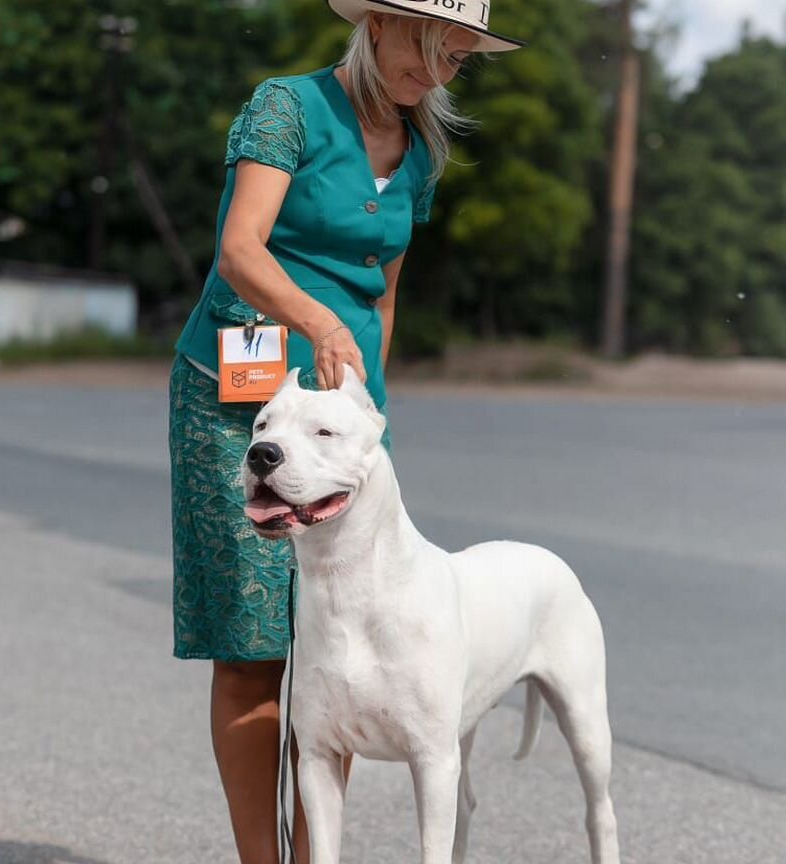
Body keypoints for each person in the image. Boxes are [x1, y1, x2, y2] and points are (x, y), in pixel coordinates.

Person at [169, 1, 524, 861]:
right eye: (426, 47)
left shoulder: (422, 149)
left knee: (345, 659)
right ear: (374, 25)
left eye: (456, 57)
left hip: (343, 429)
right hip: (239, 403)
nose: (436, 72)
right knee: (255, 651)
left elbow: (384, 290)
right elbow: (241, 250)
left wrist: (370, 414)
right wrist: (321, 326)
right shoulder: (287, 108)